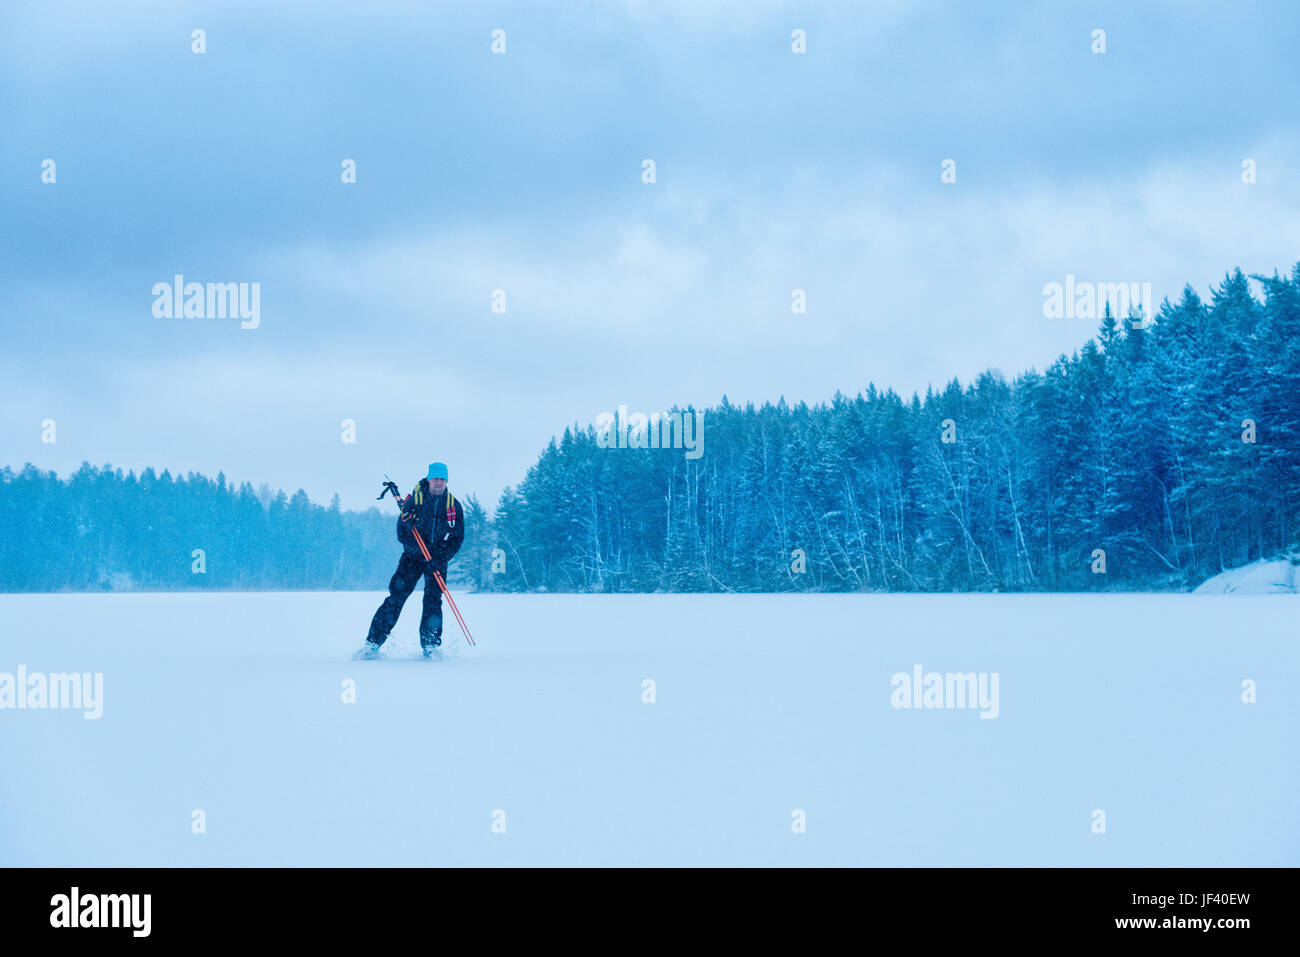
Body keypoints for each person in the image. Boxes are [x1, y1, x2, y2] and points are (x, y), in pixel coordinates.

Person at [356, 462, 465, 658]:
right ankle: (372, 645)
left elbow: (457, 539)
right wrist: (421, 553)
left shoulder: (454, 506)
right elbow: (402, 534)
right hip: (412, 558)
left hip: (438, 560)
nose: (439, 482)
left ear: (446, 481)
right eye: (435, 478)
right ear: (429, 479)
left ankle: (430, 646)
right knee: (395, 599)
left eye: (442, 479)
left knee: (433, 601)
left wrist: (440, 557)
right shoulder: (414, 502)